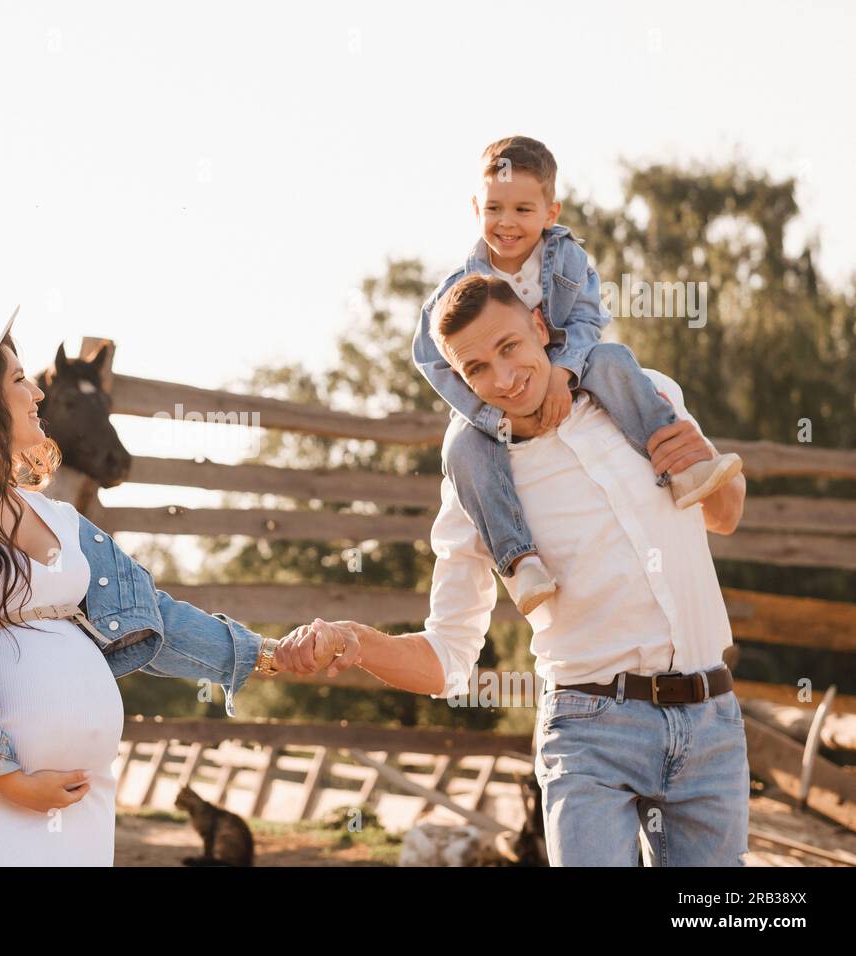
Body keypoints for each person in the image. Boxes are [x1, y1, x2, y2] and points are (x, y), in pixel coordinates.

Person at [282, 274, 751, 866]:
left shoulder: (643, 392)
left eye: (508, 348)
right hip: (590, 732)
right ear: (460, 382)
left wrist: (713, 468)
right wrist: (355, 640)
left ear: (538, 326)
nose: (502, 379)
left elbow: (725, 516)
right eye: (477, 369)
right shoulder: (477, 484)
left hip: (710, 719)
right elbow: (447, 658)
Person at [0, 308, 327, 865]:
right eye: (19, 380)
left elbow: (152, 618)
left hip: (80, 805)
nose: (38, 395)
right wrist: (5, 777)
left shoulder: (61, 520)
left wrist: (267, 655)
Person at [412, 135, 742, 614]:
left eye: (524, 209)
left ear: (550, 213)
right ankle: (520, 560)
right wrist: (491, 418)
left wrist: (562, 376)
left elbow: (588, 320)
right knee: (461, 446)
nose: (506, 222)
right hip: (494, 403)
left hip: (572, 363)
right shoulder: (455, 293)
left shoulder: (567, 259)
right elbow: (434, 360)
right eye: (494, 208)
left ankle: (679, 463)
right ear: (475, 207)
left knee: (616, 359)